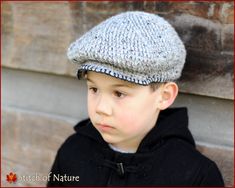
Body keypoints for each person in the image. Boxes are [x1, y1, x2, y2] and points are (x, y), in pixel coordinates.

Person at [47, 11, 224, 186]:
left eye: (119, 93)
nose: (101, 108)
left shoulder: (195, 175)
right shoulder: (72, 153)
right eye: (94, 89)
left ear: (164, 96)